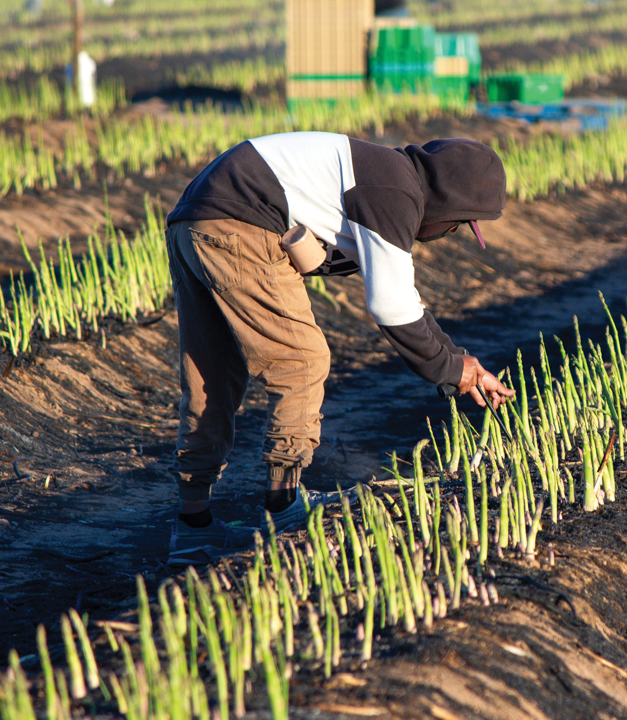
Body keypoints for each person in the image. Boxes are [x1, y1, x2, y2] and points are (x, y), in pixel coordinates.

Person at [164, 132, 515, 567]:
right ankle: (283, 506)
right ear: (451, 203)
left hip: (196, 217)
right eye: (459, 224)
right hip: (240, 220)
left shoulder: (387, 176)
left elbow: (404, 298)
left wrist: (459, 360)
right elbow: (391, 307)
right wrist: (448, 370)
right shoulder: (395, 192)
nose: (450, 233)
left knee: (212, 373)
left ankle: (192, 525)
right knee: (301, 360)